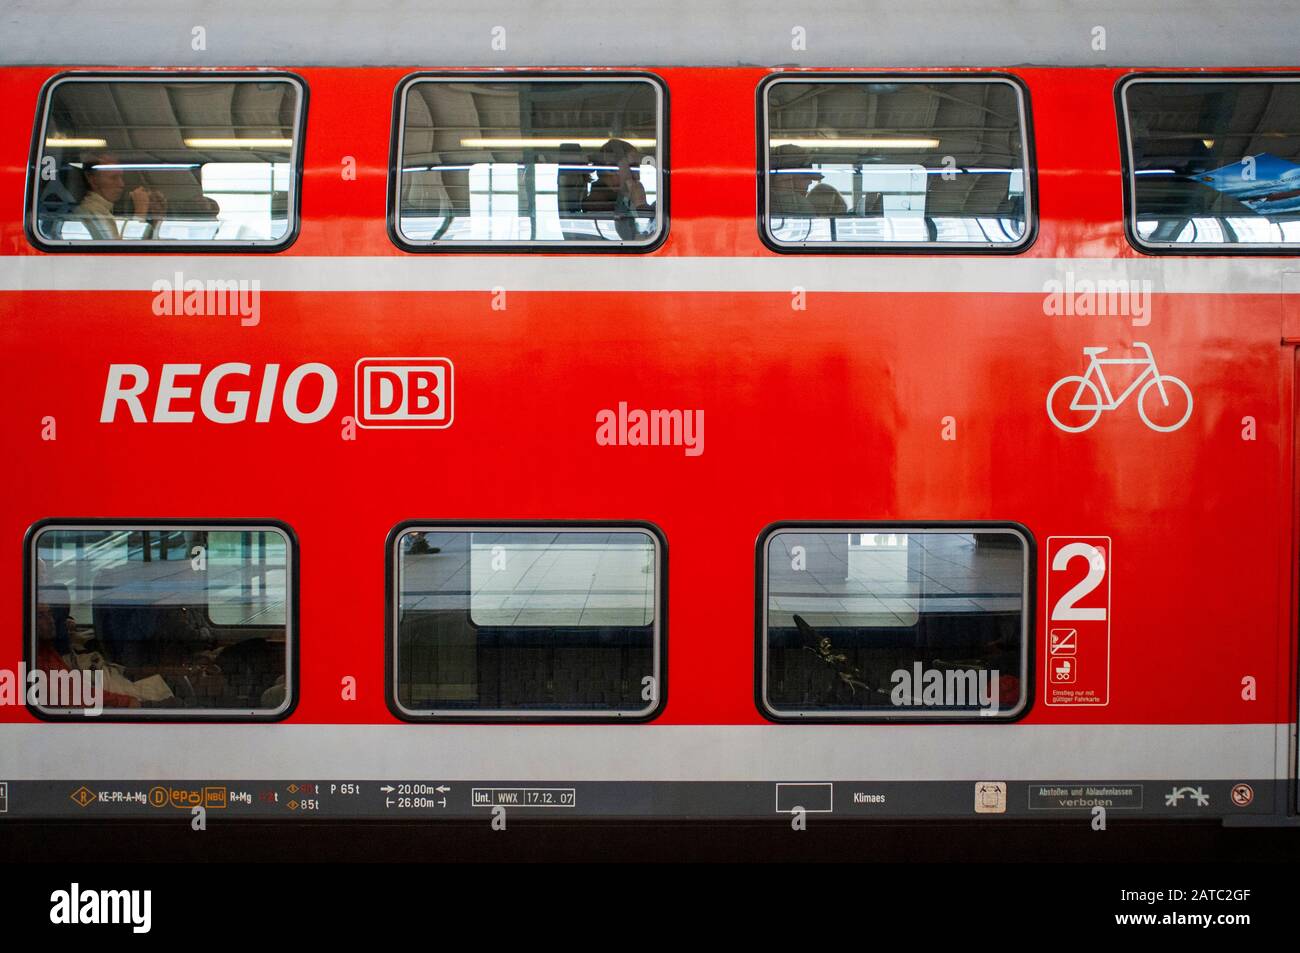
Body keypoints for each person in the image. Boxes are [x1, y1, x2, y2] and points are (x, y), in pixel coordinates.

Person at [74, 151, 166, 239]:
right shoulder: (91, 211)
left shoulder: (106, 211)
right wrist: (140, 210)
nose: (122, 184)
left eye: (121, 177)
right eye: (113, 178)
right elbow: (122, 251)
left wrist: (155, 220)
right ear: (93, 180)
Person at [582, 138, 654, 240]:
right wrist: (640, 205)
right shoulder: (598, 202)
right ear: (611, 170)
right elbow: (633, 240)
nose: (637, 176)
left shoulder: (621, 199)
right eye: (633, 168)